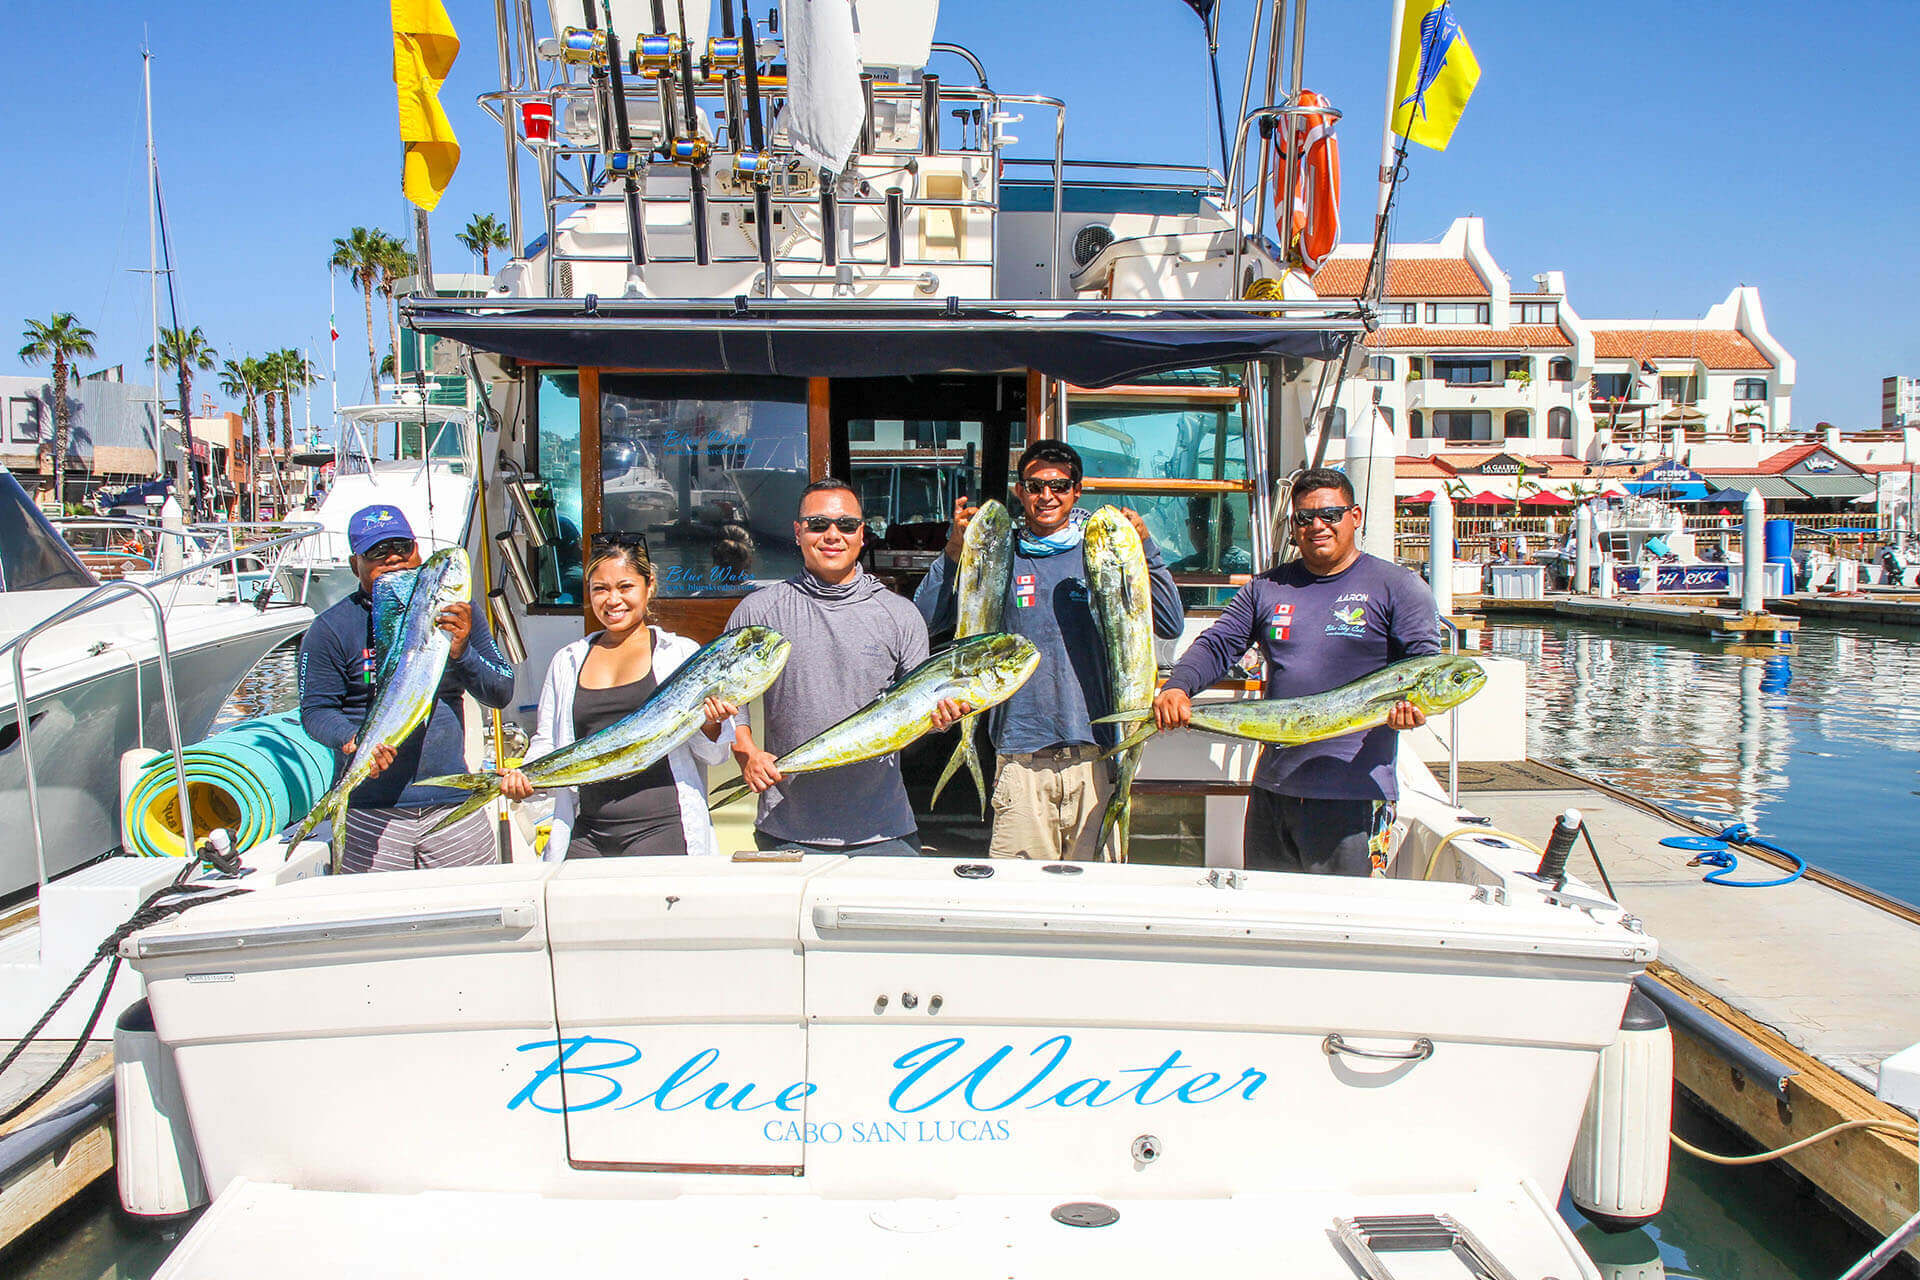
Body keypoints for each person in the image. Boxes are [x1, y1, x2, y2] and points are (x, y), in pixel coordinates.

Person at [1152, 467, 1439, 877]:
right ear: (1293, 525)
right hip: (1274, 789)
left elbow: (1424, 667)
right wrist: (1178, 688)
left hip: (1352, 795)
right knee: (1269, 917)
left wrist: (1412, 709)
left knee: (1344, 920)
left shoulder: (1398, 585)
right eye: (1304, 518)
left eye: (1331, 515)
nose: (1317, 526)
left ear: (1355, 516)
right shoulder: (1267, 588)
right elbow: (1218, 645)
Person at [917, 441, 1183, 862]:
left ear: (1078, 491)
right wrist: (954, 549)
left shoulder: (1103, 551)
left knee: (1097, 905)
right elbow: (926, 620)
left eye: (1059, 486)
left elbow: (1168, 623)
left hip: (1097, 757)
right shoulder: (1000, 551)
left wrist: (1146, 548)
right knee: (1021, 907)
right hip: (1021, 760)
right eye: (1035, 485)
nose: (1047, 496)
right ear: (1020, 491)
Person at [728, 478, 965, 856]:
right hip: (786, 829)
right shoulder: (757, 611)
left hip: (885, 831)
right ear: (798, 532)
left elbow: (922, 708)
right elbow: (727, 702)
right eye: (818, 524)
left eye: (846, 525)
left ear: (862, 534)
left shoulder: (900, 615)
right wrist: (747, 752)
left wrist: (941, 719)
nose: (832, 535)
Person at [297, 506, 517, 872]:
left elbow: (500, 691)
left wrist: (461, 651)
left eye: (402, 546)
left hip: (453, 804)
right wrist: (353, 739)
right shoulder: (330, 628)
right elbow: (316, 712)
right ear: (356, 565)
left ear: (417, 550)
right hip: (371, 809)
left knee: (473, 917)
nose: (394, 558)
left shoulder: (458, 613)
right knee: (380, 925)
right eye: (377, 552)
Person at [495, 535, 739, 858]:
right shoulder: (567, 661)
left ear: (649, 585)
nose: (613, 600)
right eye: (600, 589)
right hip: (587, 829)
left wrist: (712, 724)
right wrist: (526, 778)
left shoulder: (681, 654)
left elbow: (715, 755)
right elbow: (547, 743)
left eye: (625, 587)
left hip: (663, 828)